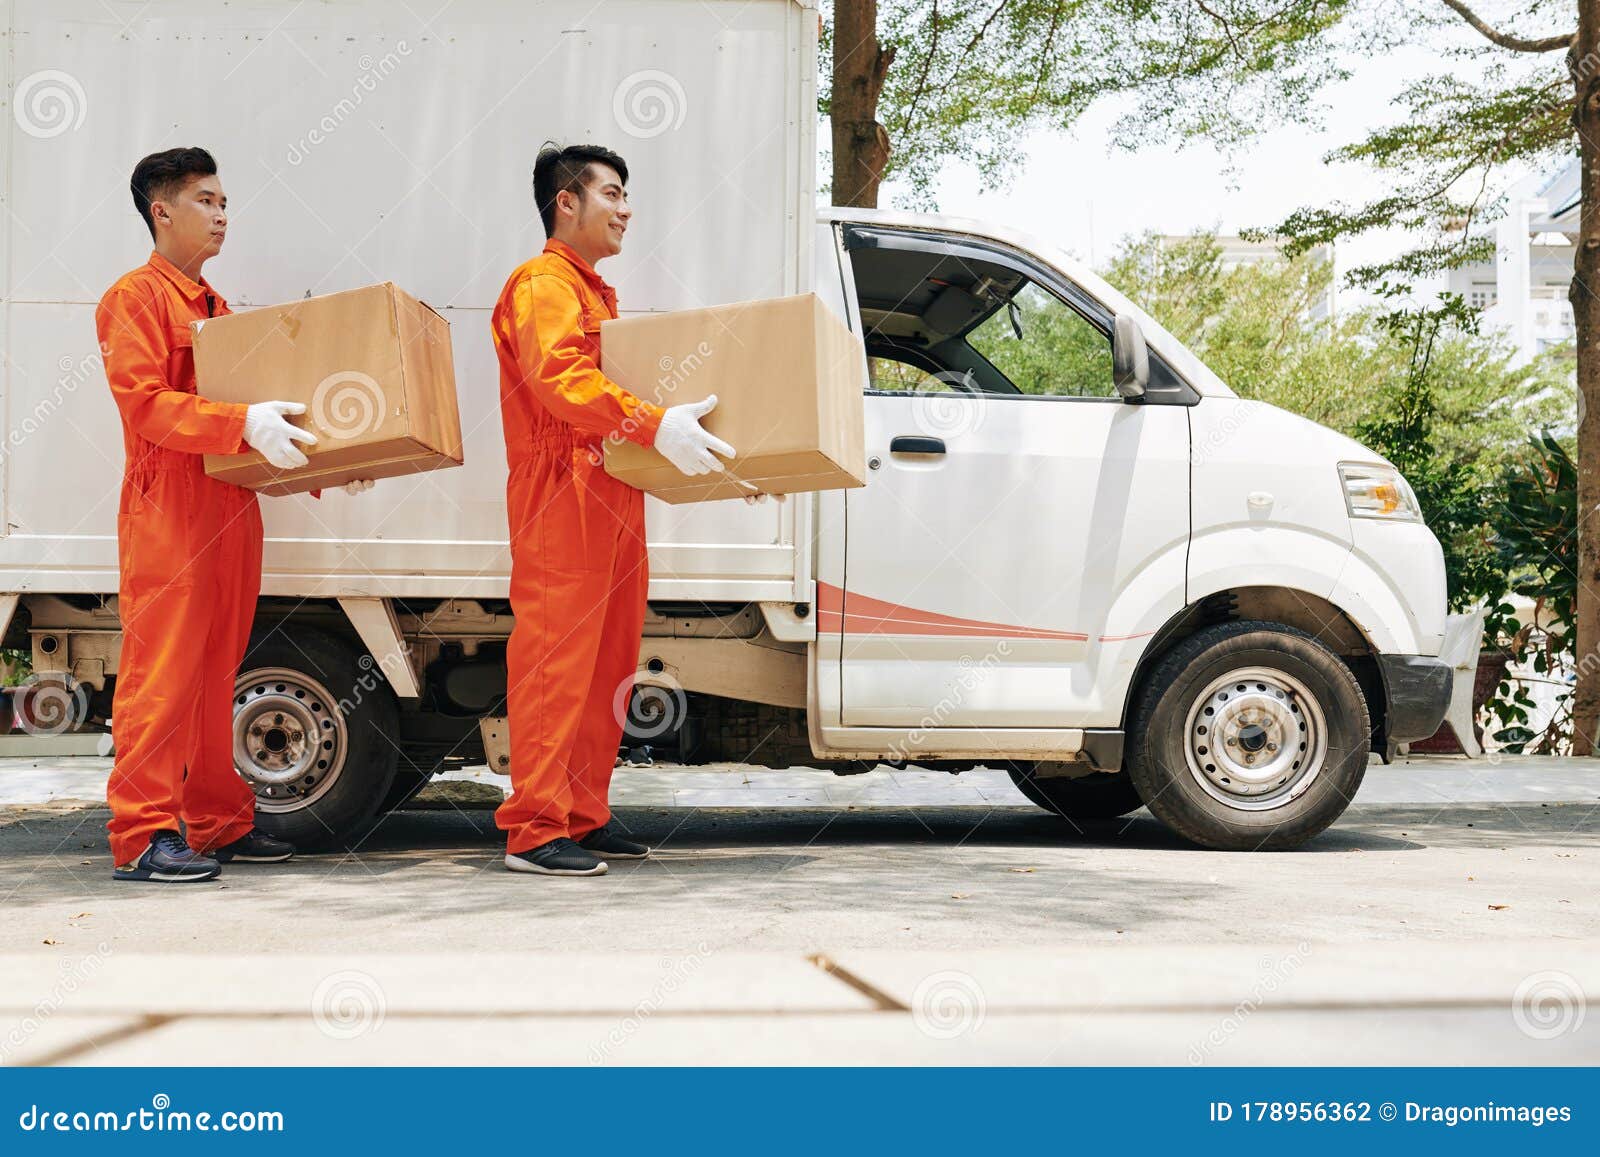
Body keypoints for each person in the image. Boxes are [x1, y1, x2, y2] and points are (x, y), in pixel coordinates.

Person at [96, 146, 371, 883]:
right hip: (169, 511)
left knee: (217, 675)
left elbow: (251, 430)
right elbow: (145, 405)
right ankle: (143, 833)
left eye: (224, 203)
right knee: (162, 677)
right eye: (206, 201)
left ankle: (217, 821)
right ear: (162, 211)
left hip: (228, 510)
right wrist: (240, 423)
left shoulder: (216, 309)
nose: (222, 215)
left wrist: (326, 465)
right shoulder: (135, 298)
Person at [491, 142, 751, 877]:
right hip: (561, 491)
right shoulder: (543, 283)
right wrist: (651, 423)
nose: (626, 209)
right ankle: (534, 828)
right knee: (556, 661)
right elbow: (559, 379)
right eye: (612, 193)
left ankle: (581, 812)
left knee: (606, 662)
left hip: (608, 487)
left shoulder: (593, 292)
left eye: (626, 195)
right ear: (566, 202)